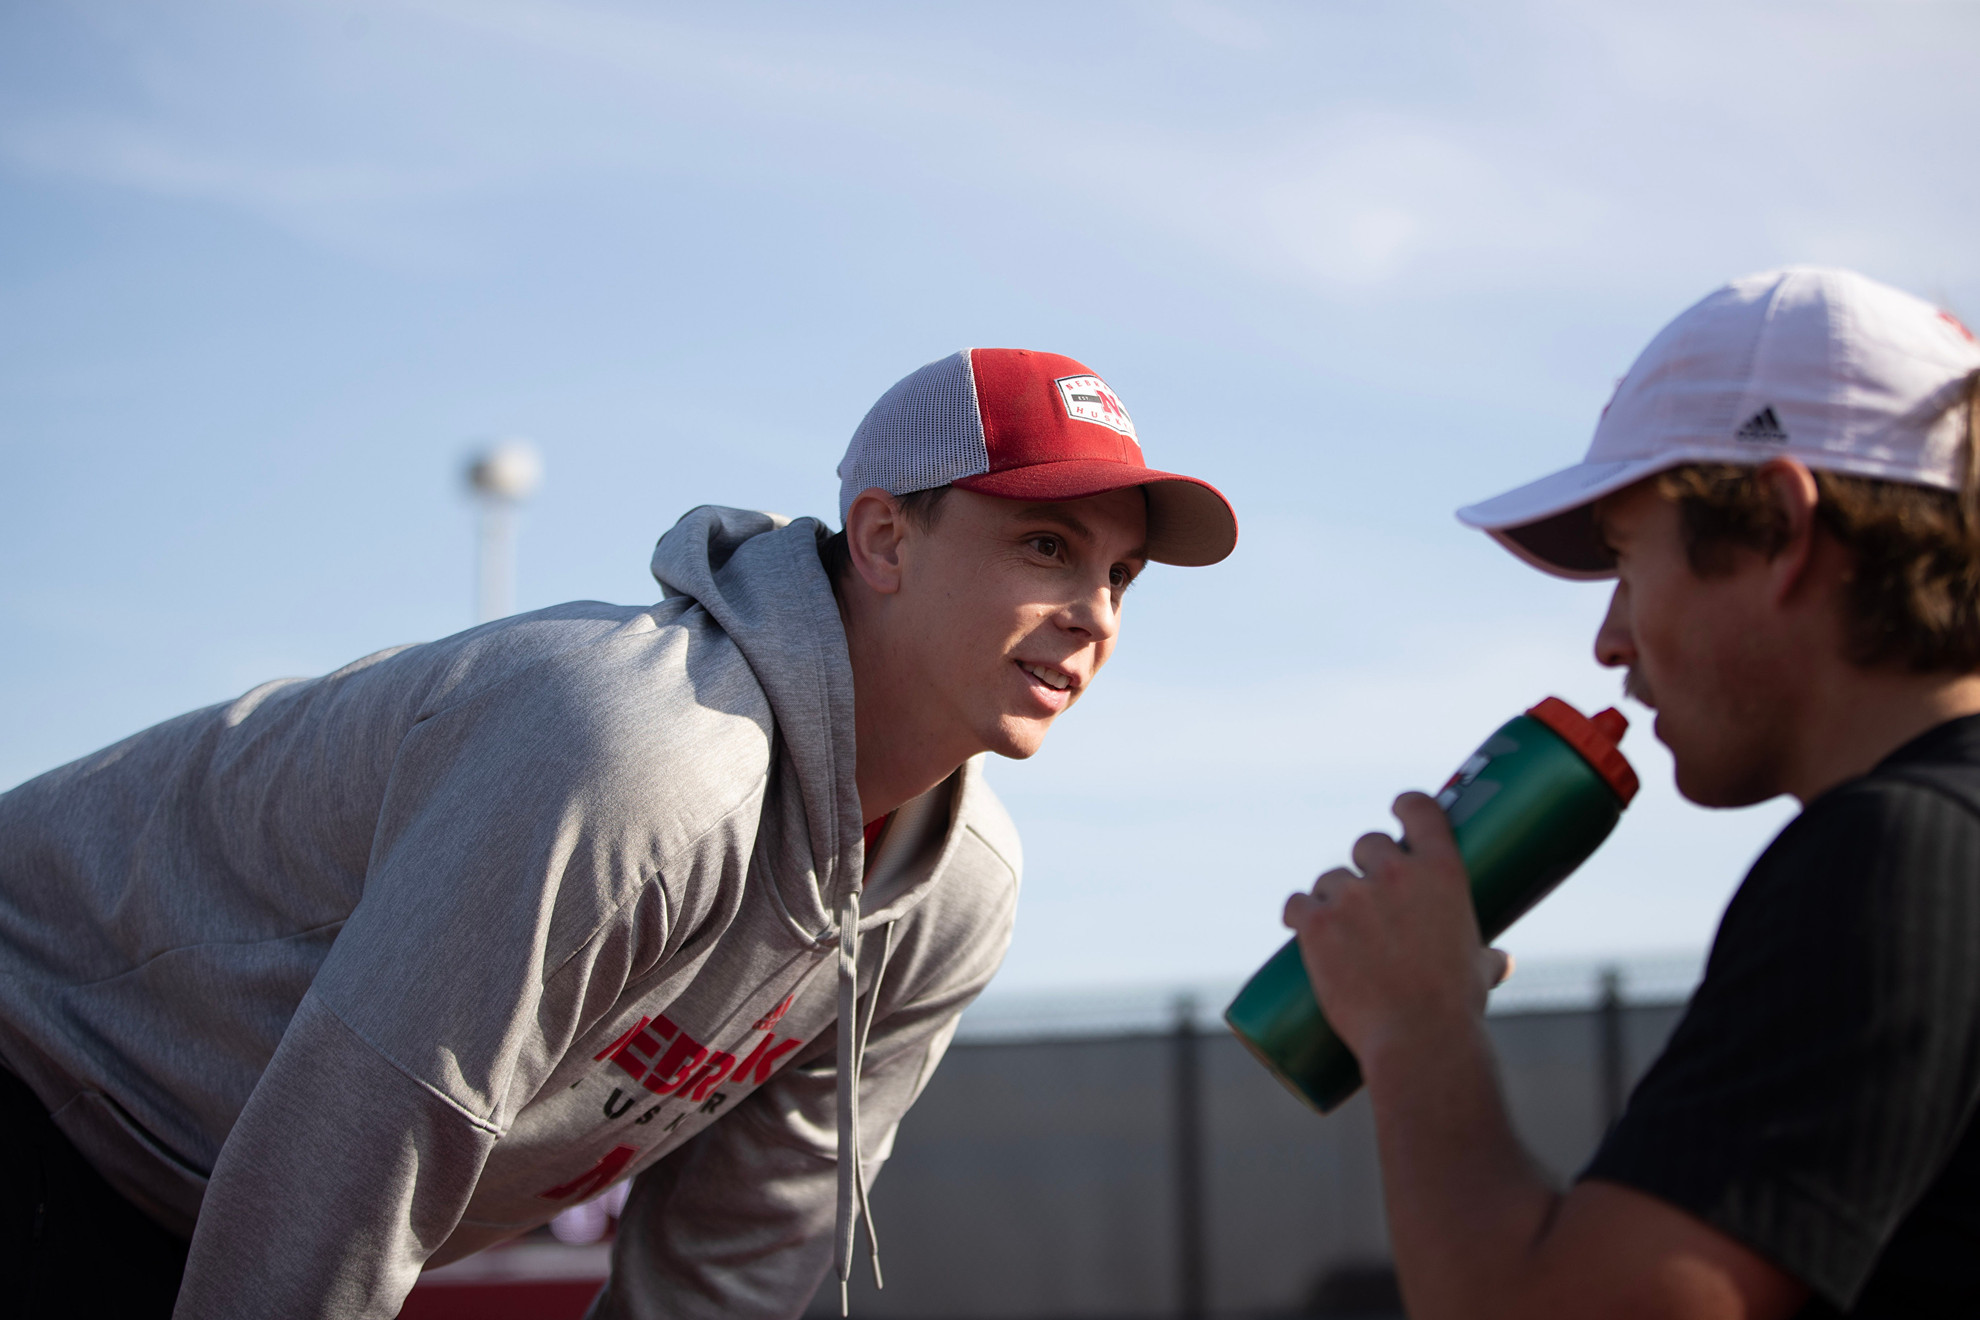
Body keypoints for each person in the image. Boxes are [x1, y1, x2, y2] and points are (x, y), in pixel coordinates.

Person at [0, 348, 1237, 1319]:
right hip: (48, 1076)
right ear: (881, 538)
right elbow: (355, 1142)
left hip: (204, 1191)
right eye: (1045, 546)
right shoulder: (644, 754)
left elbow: (733, 1258)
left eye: (1121, 576)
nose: (1095, 614)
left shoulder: (956, 889)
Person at [1283, 268, 1980, 1319]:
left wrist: (1415, 1025)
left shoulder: (1900, 853)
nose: (1609, 641)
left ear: (1782, 528)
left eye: (1624, 559)